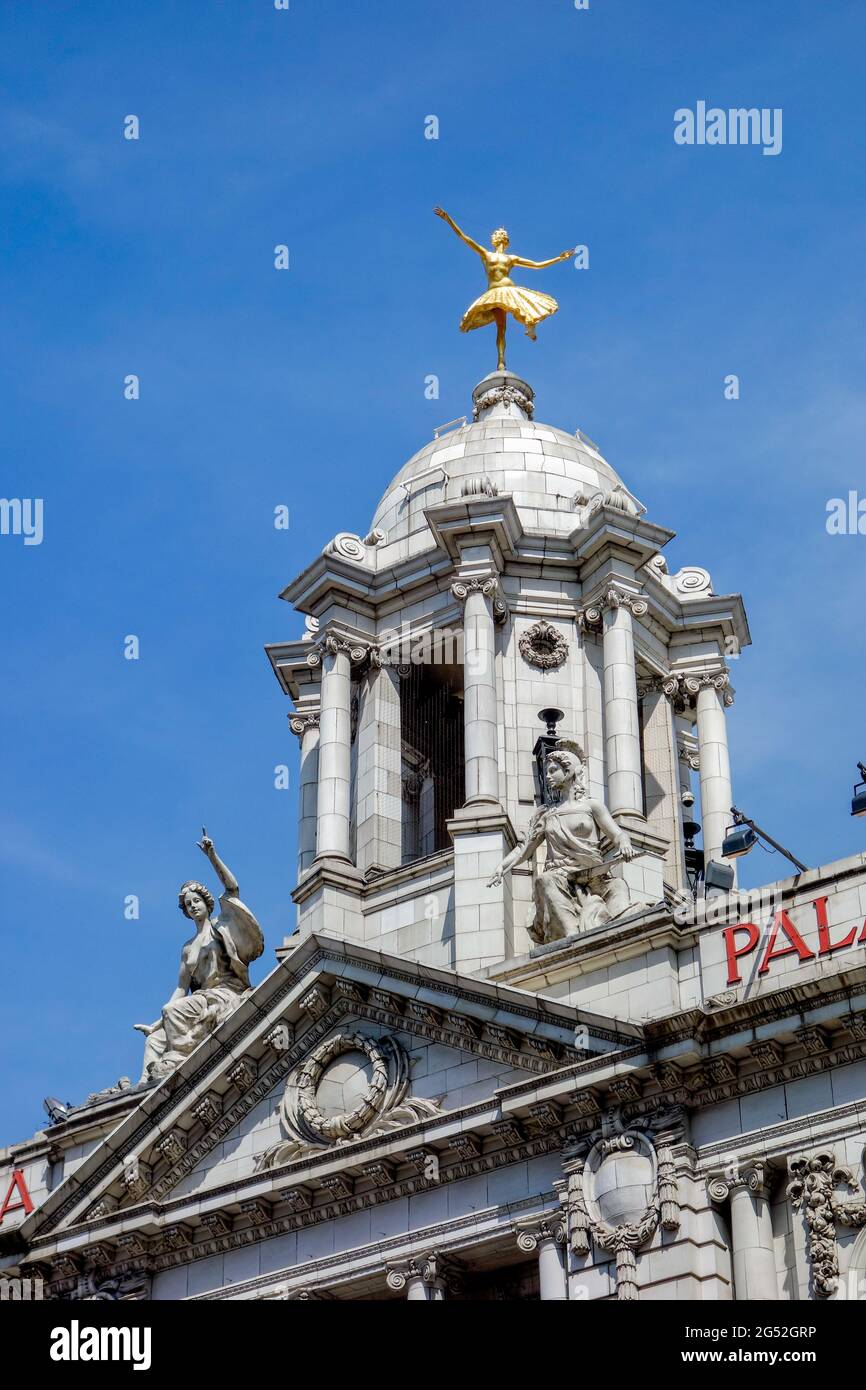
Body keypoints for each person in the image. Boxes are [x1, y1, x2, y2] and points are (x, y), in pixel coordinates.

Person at [134, 830, 263, 1081]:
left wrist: (212, 855)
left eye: (196, 900)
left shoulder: (220, 926)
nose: (193, 906)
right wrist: (156, 1024)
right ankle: (145, 1089)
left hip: (226, 994)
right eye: (188, 904)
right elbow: (181, 990)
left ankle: (176, 1060)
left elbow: (232, 888)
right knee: (154, 1041)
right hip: (198, 1002)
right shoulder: (187, 948)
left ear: (206, 901)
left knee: (173, 1012)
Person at [487, 743, 637, 942]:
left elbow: (618, 835)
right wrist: (502, 866)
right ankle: (572, 936)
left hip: (595, 877)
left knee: (618, 886)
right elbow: (524, 849)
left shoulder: (591, 807)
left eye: (552, 770)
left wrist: (624, 843)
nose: (548, 776)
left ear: (568, 771)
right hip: (561, 877)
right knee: (544, 880)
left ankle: (622, 926)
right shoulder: (547, 814)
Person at [434, 207, 574, 371]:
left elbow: (537, 265)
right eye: (497, 235)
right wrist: (448, 219)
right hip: (494, 292)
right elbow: (465, 238)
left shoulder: (511, 258)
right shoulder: (486, 254)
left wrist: (559, 258)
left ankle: (530, 326)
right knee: (501, 328)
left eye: (500, 235)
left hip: (508, 289)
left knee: (526, 303)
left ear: (503, 240)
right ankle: (501, 361)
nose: (498, 236)